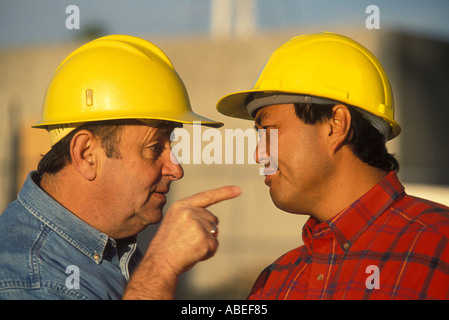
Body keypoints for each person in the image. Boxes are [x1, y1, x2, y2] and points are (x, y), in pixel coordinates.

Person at [0, 35, 240, 300]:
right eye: (154, 148)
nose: (176, 169)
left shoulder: (108, 247)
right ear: (86, 154)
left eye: (170, 144)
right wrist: (159, 269)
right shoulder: (31, 283)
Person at [216, 32, 449, 299]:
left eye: (268, 130)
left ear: (335, 125)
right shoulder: (274, 283)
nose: (259, 154)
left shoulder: (441, 246)